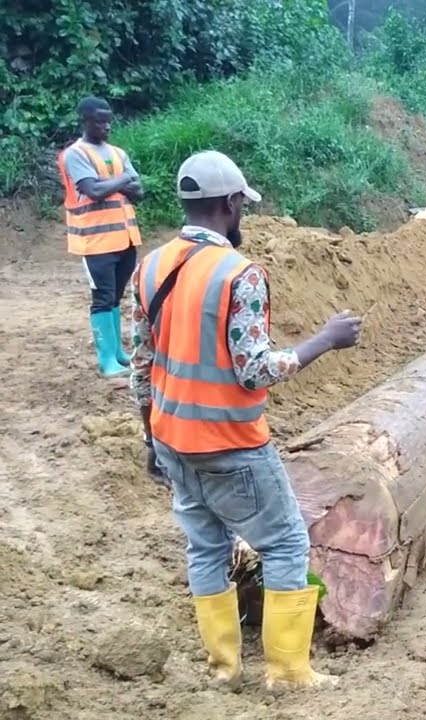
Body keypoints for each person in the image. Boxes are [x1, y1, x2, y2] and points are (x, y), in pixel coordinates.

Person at [126, 150, 362, 690]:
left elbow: (142, 367)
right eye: (242, 207)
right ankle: (287, 671)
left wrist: (150, 438)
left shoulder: (152, 266)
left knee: (205, 547)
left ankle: (223, 668)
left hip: (172, 439)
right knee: (283, 544)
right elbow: (254, 370)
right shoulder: (241, 274)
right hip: (230, 443)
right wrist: (324, 342)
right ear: (231, 204)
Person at [57, 97, 144, 377]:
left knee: (117, 297)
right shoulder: (75, 154)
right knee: (102, 298)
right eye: (99, 121)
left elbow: (139, 192)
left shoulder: (117, 152)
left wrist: (110, 184)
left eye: (108, 120)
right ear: (84, 121)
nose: (106, 126)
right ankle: (107, 359)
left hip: (126, 237)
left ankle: (118, 353)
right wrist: (122, 182)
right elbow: (92, 191)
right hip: (95, 241)